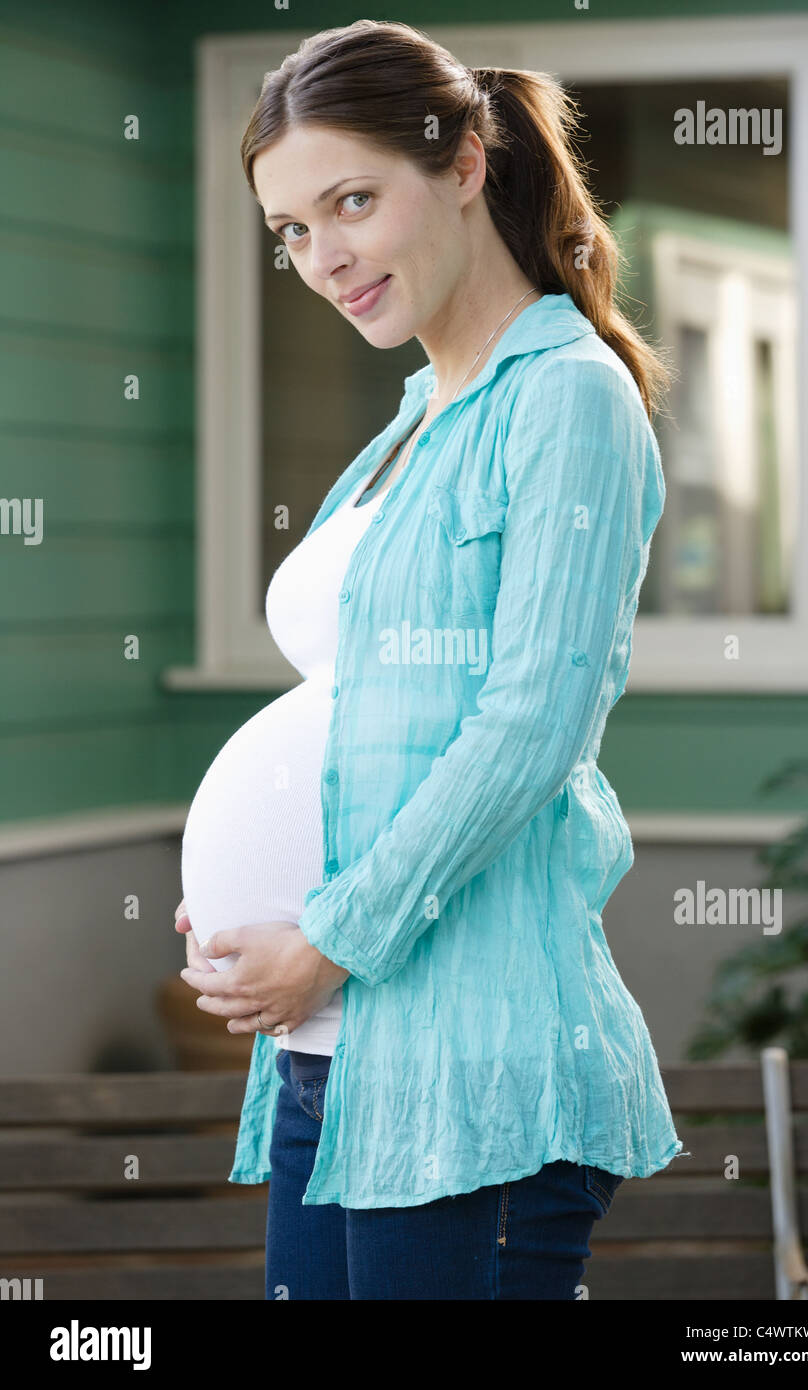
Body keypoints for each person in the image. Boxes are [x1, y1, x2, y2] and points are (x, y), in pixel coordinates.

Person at [176, 18, 686, 1301]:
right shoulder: (419, 412)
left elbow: (529, 725)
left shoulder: (566, 395)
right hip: (332, 1050)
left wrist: (328, 933)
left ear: (462, 161)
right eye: (290, 231)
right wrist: (250, 908)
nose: (322, 258)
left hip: (472, 1071)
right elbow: (367, 708)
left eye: (351, 202)